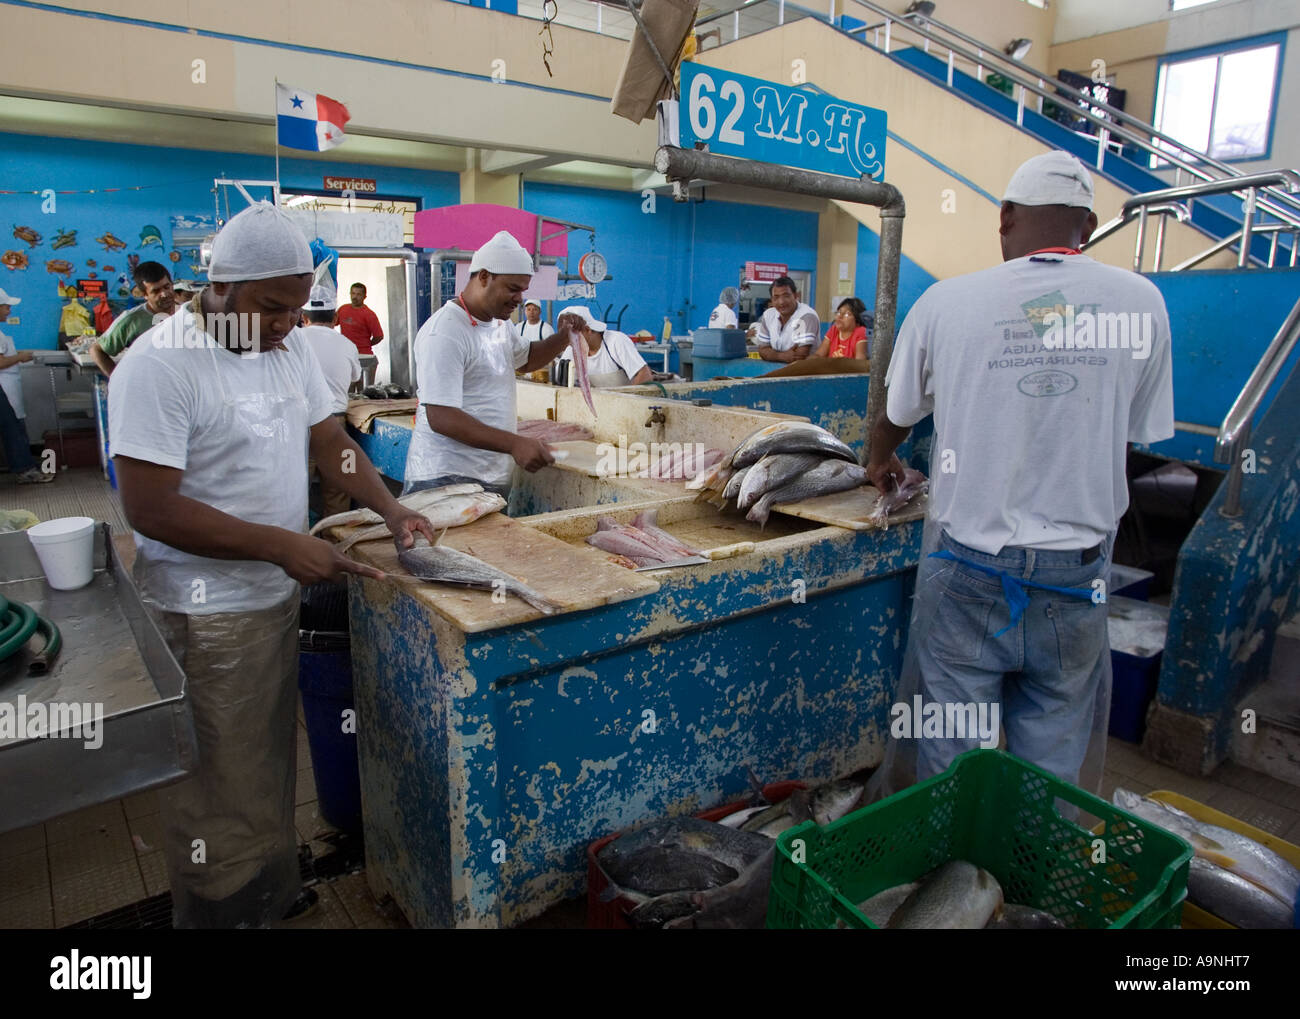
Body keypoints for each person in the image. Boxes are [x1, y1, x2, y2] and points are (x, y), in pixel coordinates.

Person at [108, 202, 437, 928]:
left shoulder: (284, 349)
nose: (288, 323)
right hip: (205, 612)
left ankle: (265, 894)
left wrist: (389, 507)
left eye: (297, 307)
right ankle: (220, 913)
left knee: (261, 767)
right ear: (220, 286)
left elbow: (330, 442)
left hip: (267, 600)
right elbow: (149, 508)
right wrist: (281, 544)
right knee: (216, 784)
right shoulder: (159, 365)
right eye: (270, 306)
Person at [866, 151, 1174, 788]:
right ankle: (1033, 877)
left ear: (1004, 217)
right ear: (1086, 225)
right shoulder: (1142, 303)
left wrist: (878, 459)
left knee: (954, 754)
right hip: (1078, 573)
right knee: (1051, 762)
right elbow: (1140, 436)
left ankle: (955, 879)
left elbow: (896, 413)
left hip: (970, 568)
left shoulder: (947, 302)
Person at [403, 230, 571, 499]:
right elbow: (441, 416)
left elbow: (526, 359)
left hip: (490, 476)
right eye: (513, 289)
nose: (520, 299)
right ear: (483, 277)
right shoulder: (446, 331)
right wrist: (515, 443)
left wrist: (563, 338)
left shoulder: (500, 325)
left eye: (523, 291)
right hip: (445, 479)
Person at [300, 284, 363, 516]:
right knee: (338, 488)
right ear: (336, 317)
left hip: (300, 425)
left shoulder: (293, 340)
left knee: (296, 491)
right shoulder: (347, 344)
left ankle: (299, 545)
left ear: (303, 317)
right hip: (336, 426)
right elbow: (356, 377)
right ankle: (337, 545)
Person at [0, 288, 52, 484]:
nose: (9, 311)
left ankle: (25, 466)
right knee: (12, 429)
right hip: (4, 387)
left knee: (15, 428)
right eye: (6, 307)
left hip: (9, 385)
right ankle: (25, 469)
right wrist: (20, 357)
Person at [90, 262, 179, 375]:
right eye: (156, 291)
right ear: (144, 294)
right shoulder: (131, 320)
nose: (164, 294)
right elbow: (97, 350)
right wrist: (116, 380)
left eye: (167, 287)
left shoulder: (188, 312)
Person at [557, 306, 653, 388]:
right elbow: (559, 379)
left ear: (587, 329)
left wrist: (628, 401)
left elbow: (644, 374)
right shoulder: (571, 350)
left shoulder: (615, 341)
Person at [754, 276, 818, 363]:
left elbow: (800, 356)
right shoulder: (768, 315)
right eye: (776, 297)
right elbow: (762, 350)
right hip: (776, 371)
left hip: (804, 373)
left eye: (786, 296)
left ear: (795, 296)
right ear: (772, 300)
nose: (781, 302)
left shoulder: (806, 316)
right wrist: (782, 356)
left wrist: (772, 354)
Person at [337, 282, 384, 356]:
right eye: (353, 293)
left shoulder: (369, 314)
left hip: (363, 354)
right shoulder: (343, 309)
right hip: (345, 353)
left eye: (358, 294)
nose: (355, 297)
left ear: (364, 296)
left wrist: (366, 345)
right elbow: (332, 323)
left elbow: (379, 336)